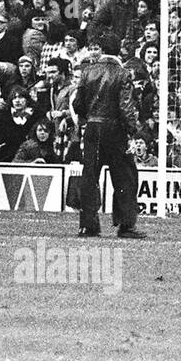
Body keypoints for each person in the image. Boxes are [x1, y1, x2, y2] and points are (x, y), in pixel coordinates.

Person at [73, 32, 147, 239]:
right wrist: (132, 130)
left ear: (102, 50)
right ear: (119, 50)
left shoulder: (87, 71)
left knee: (89, 176)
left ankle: (88, 225)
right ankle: (125, 225)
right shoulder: (123, 73)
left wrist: (86, 119)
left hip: (93, 129)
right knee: (125, 176)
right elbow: (125, 106)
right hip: (115, 130)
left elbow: (77, 103)